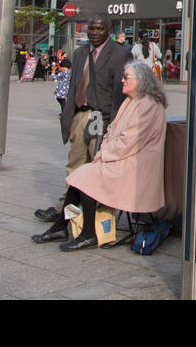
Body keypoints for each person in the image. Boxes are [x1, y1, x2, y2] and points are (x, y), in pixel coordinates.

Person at [32, 60, 167, 250]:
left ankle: (87, 233)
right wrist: (104, 151)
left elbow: (130, 141)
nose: (122, 80)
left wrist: (103, 154)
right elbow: (112, 131)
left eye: (126, 77)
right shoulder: (132, 101)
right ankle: (62, 226)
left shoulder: (148, 105)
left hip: (137, 166)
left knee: (87, 177)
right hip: (124, 158)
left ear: (141, 80)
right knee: (79, 177)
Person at [33, 14, 127, 223]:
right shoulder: (80, 52)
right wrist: (69, 115)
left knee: (95, 165)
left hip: (101, 117)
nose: (94, 33)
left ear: (108, 30)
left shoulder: (119, 54)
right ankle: (64, 208)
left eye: (99, 29)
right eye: (91, 29)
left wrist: (113, 125)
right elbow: (75, 83)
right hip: (80, 114)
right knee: (75, 163)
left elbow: (119, 93)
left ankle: (90, 212)